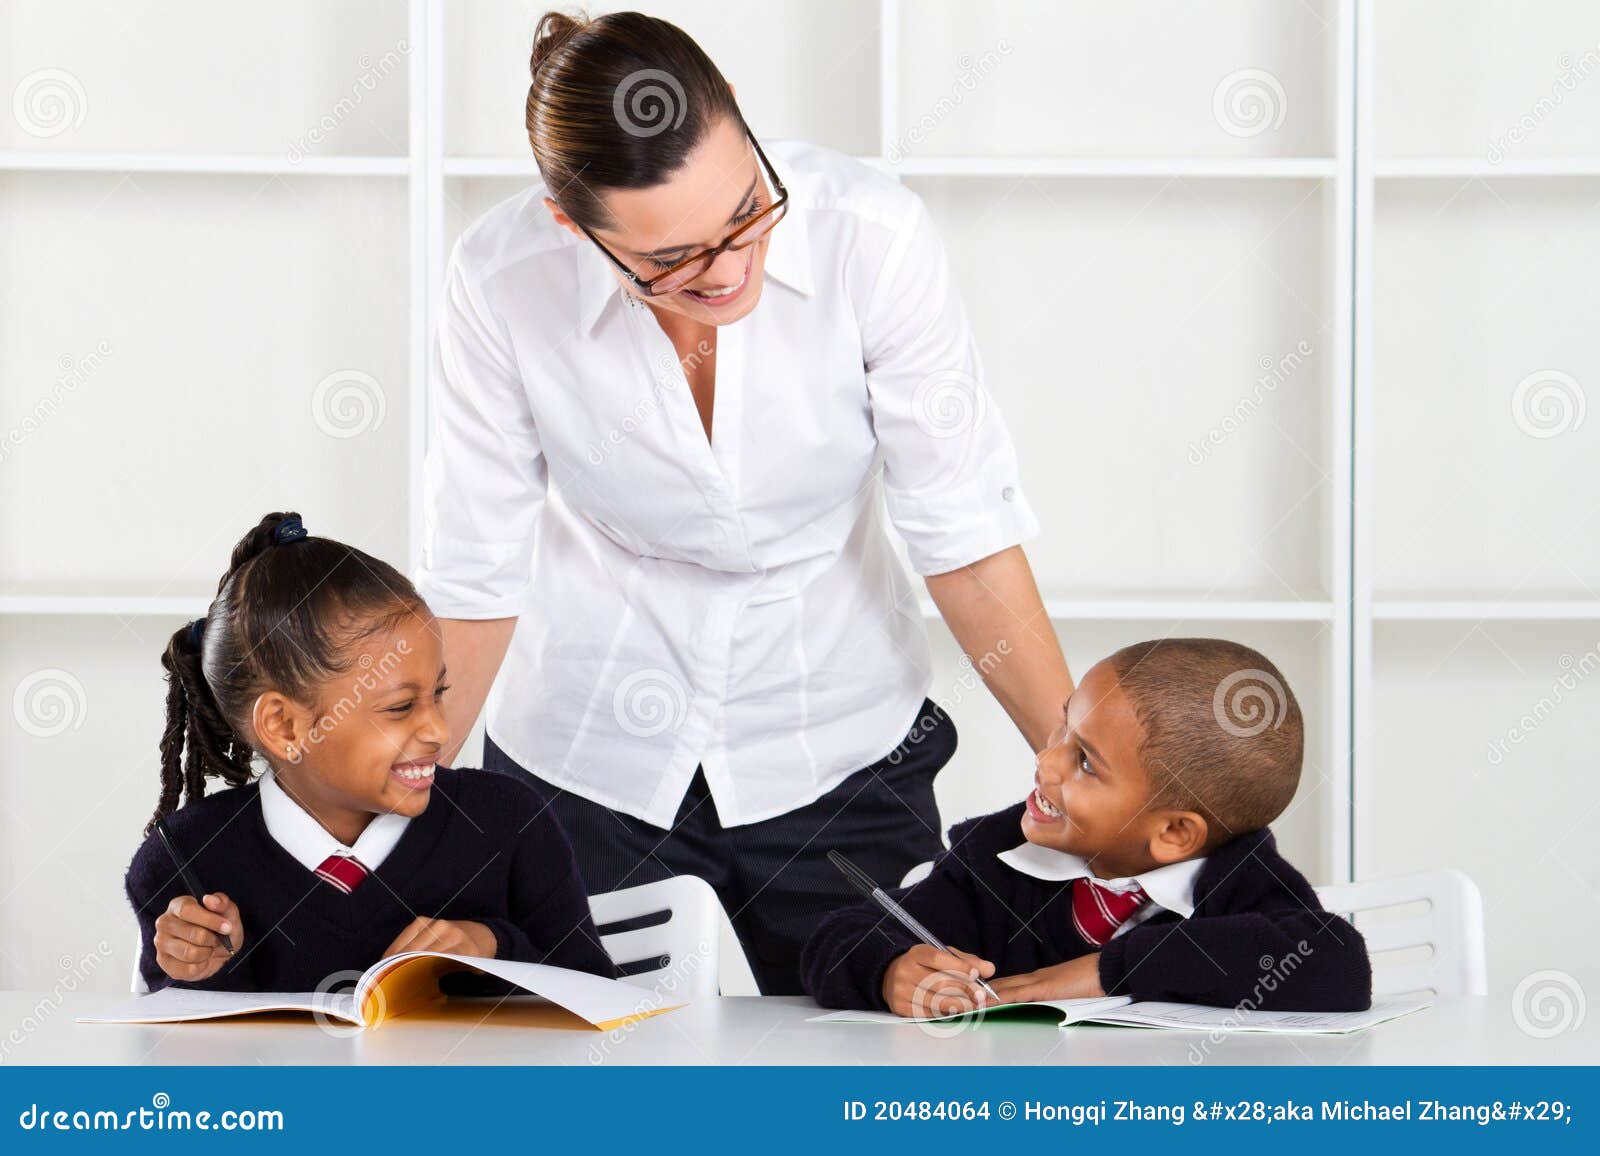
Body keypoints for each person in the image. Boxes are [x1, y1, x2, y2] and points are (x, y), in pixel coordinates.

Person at [416, 9, 1075, 994]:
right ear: (572, 224)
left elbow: (965, 535)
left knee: (898, 1036)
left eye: (746, 215)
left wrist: (1086, 774)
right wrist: (395, 830)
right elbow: (475, 573)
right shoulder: (500, 278)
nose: (726, 272)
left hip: (834, 740)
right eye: (672, 260)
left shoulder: (871, 236)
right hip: (583, 753)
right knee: (565, 1071)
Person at [125, 511, 615, 992]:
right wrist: (195, 969)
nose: (439, 729)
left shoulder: (509, 821)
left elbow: (598, 995)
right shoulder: (185, 859)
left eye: (438, 694)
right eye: (401, 707)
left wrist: (491, 947)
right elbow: (169, 1050)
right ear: (283, 726)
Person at [801, 638, 1372, 1014]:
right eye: (1063, 728)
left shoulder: (1242, 881)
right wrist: (887, 972)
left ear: (1175, 834)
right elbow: (839, 934)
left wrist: (1109, 970)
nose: (1046, 763)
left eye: (1086, 763)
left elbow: (1337, 963)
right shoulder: (998, 859)